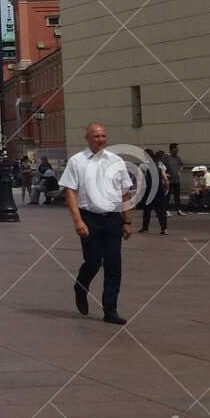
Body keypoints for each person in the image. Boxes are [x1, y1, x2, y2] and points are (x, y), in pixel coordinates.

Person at [60, 123, 134, 325]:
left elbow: (125, 193)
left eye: (103, 136)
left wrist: (127, 221)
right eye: (96, 136)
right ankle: (81, 286)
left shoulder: (116, 161)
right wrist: (78, 221)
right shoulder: (77, 161)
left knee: (113, 265)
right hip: (89, 218)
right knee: (93, 262)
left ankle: (110, 309)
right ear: (87, 138)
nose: (100, 139)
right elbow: (70, 193)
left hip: (112, 219)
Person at [139, 150, 169, 234]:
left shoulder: (143, 165)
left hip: (149, 190)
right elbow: (164, 177)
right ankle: (164, 229)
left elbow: (140, 178)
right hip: (159, 189)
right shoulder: (160, 164)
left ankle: (145, 228)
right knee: (161, 210)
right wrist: (166, 186)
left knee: (147, 209)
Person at [164, 143, 186, 214]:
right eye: (177, 148)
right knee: (168, 195)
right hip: (169, 180)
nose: (178, 150)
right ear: (172, 149)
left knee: (177, 196)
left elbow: (182, 165)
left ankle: (179, 210)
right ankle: (166, 210)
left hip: (176, 179)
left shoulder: (177, 157)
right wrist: (164, 174)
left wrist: (179, 171)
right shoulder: (166, 157)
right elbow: (161, 166)